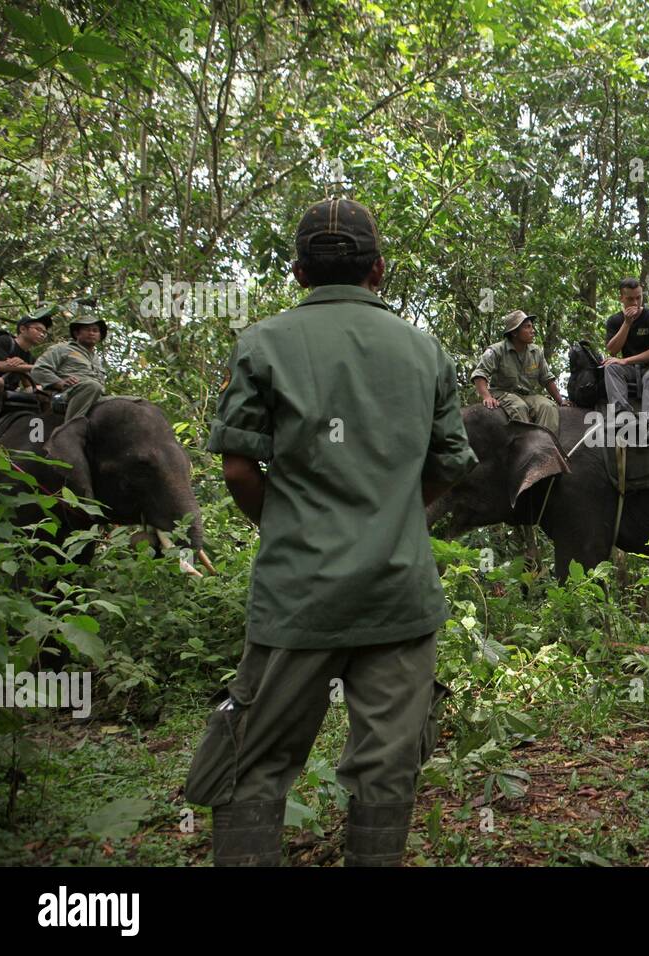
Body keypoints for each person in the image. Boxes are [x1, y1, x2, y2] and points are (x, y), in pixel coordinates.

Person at [184, 197, 478, 867]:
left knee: (254, 761)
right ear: (379, 270)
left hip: (299, 594)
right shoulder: (424, 349)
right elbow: (450, 467)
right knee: (387, 767)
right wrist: (394, 516)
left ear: (297, 273)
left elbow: (237, 465)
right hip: (398, 594)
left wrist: (286, 525)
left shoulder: (264, 342)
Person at [471, 310, 565, 434]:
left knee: (548, 406)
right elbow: (480, 374)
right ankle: (525, 445)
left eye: (532, 326)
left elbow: (546, 379)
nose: (533, 331)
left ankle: (544, 443)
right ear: (514, 332)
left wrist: (560, 401)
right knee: (518, 407)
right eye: (527, 327)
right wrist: (487, 397)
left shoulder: (536, 352)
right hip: (503, 393)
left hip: (527, 395)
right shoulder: (496, 350)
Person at [603, 278, 649, 424]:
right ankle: (621, 415)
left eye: (638, 297)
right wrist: (627, 323)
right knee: (611, 367)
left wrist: (625, 360)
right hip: (632, 369)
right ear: (621, 298)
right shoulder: (614, 321)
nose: (635, 303)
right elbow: (612, 350)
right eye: (630, 299)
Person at [29, 305, 108, 421]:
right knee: (92, 385)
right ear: (77, 334)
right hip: (69, 394)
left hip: (96, 396)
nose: (92, 333)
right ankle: (70, 428)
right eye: (87, 330)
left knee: (133, 402)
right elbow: (38, 370)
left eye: (95, 331)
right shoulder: (61, 349)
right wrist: (59, 382)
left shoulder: (96, 359)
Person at [0, 306, 53, 411]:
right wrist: (33, 366)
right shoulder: (4, 341)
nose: (42, 335)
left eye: (44, 333)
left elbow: (27, 383)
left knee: (44, 392)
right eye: (38, 330)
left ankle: (43, 423)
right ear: (23, 329)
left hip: (10, 389)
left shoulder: (29, 356)